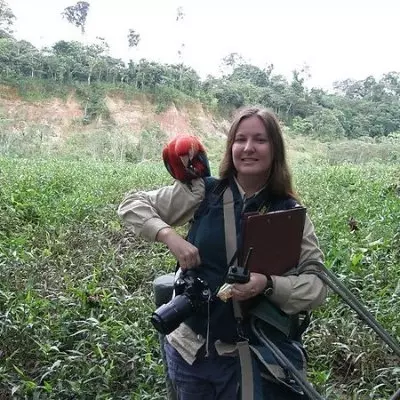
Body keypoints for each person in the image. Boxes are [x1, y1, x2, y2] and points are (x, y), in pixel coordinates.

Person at [118, 106, 327, 400]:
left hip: (251, 358)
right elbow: (131, 205)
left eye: (260, 140)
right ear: (230, 147)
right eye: (240, 139)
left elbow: (316, 288)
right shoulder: (204, 192)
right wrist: (170, 237)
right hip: (189, 353)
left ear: (275, 149)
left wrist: (266, 284)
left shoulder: (291, 214)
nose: (248, 148)